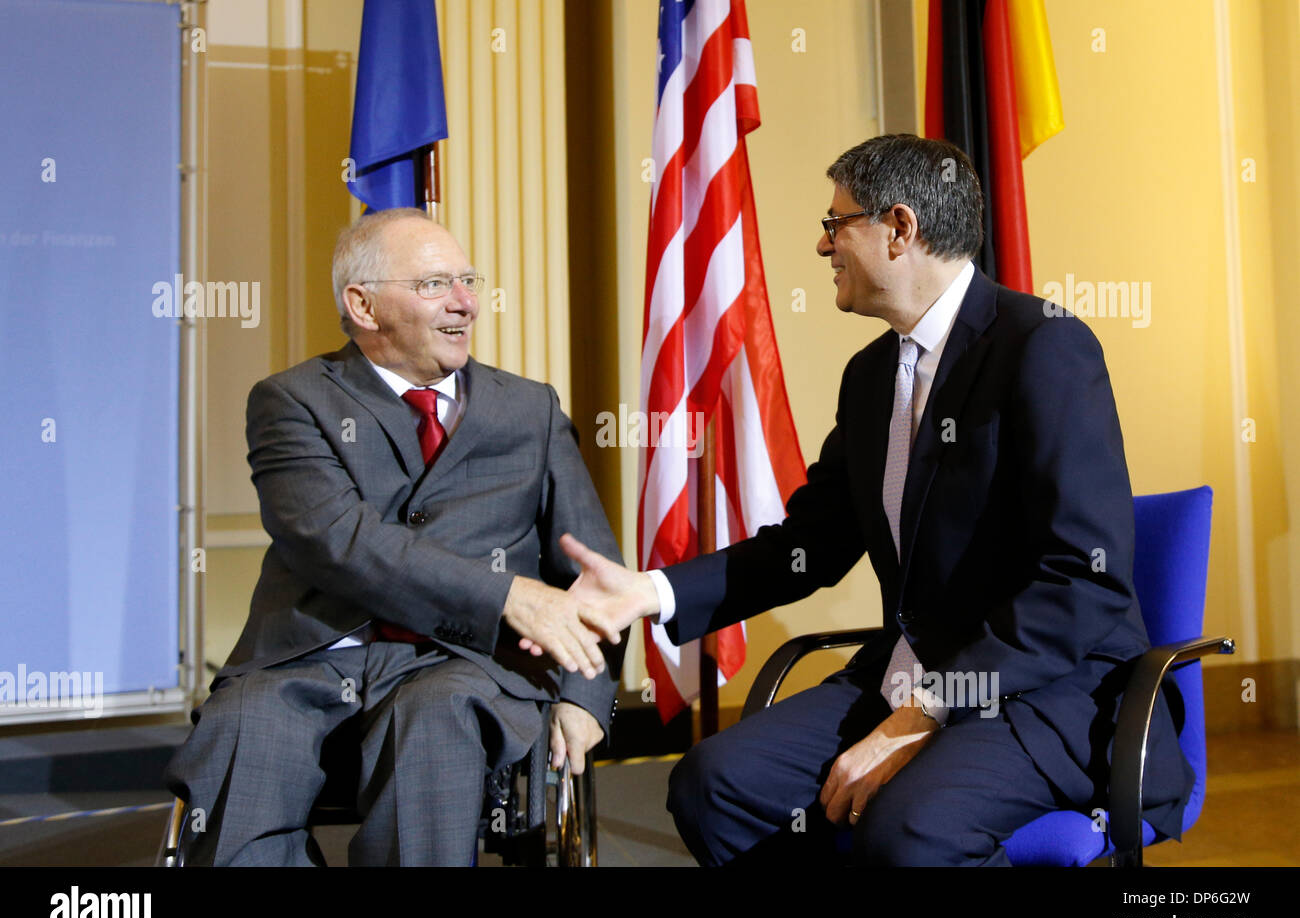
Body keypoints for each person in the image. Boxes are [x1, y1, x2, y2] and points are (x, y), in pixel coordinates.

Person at [558, 134, 1194, 866]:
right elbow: (809, 547)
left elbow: (1083, 580)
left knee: (908, 832)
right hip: (908, 673)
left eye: (836, 224)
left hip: (1046, 693)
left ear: (899, 228)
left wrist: (925, 711)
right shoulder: (869, 377)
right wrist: (651, 592)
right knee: (714, 784)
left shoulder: (1043, 345)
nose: (822, 245)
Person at [165, 207, 623, 866]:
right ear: (364, 305)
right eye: (436, 285)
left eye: (468, 280)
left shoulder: (529, 408)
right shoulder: (293, 402)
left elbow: (595, 568)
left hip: (466, 665)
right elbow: (337, 539)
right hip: (312, 656)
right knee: (246, 731)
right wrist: (506, 595)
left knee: (435, 717)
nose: (467, 302)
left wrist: (586, 696)